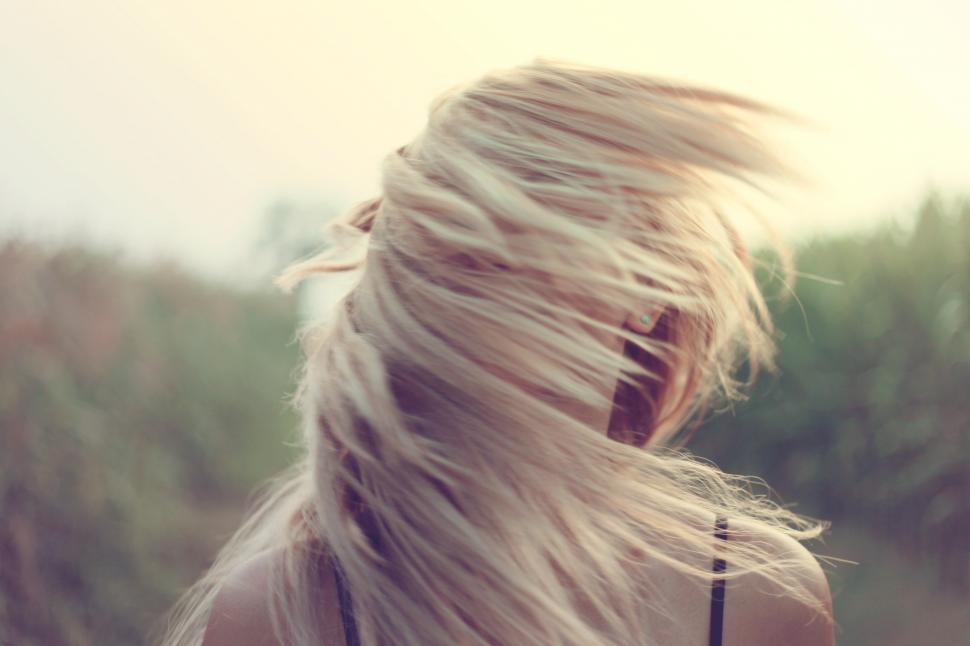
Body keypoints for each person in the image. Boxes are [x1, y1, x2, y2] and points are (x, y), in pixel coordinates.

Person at [156, 57, 834, 646]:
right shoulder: (280, 615)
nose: (505, 299)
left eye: (545, 246)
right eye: (467, 261)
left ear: (649, 285)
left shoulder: (754, 600)